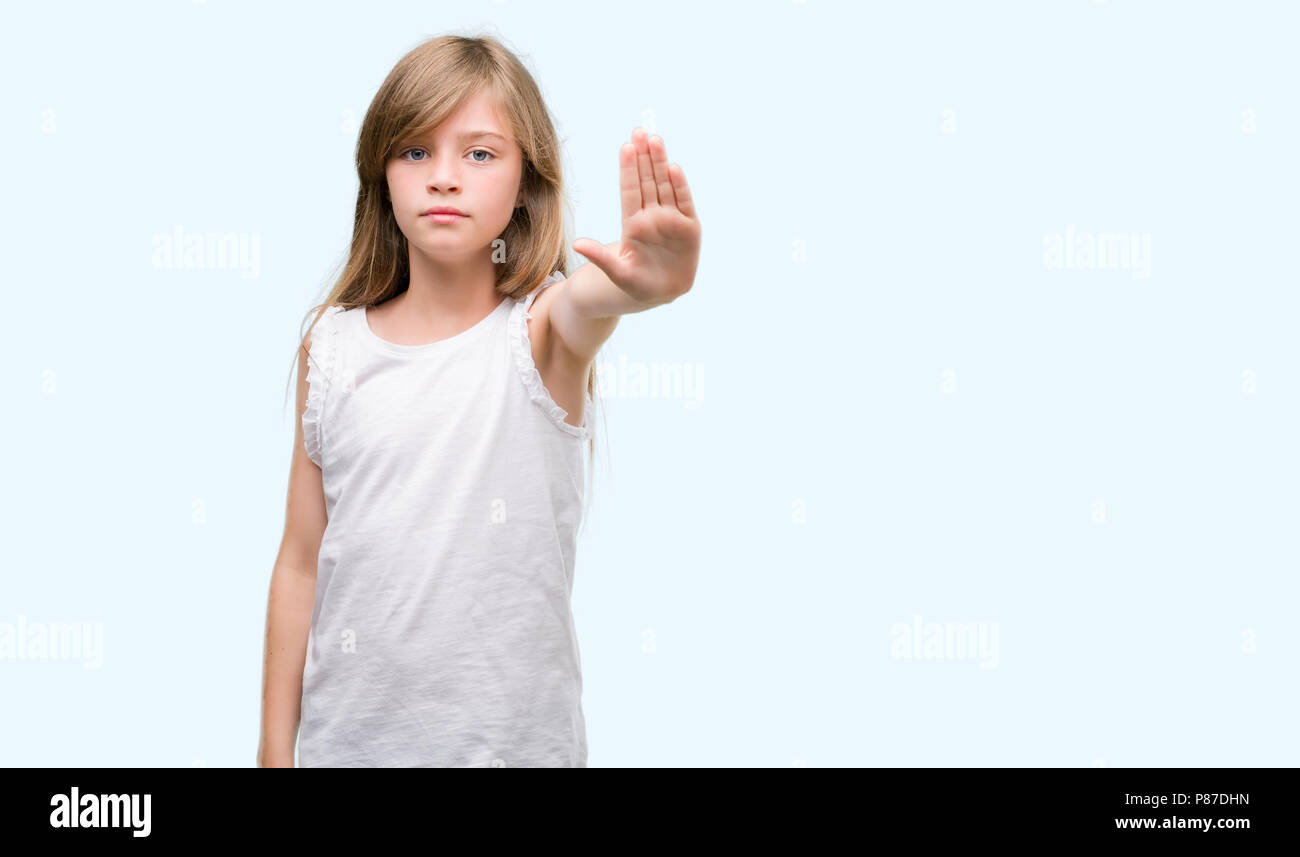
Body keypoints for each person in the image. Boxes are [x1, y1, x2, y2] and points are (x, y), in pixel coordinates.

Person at [256, 33, 701, 767]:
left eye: (480, 153)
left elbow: (592, 299)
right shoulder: (330, 349)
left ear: (526, 179)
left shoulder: (542, 330)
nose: (444, 178)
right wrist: (275, 754)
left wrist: (650, 280)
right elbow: (300, 563)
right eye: (415, 151)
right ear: (382, 175)